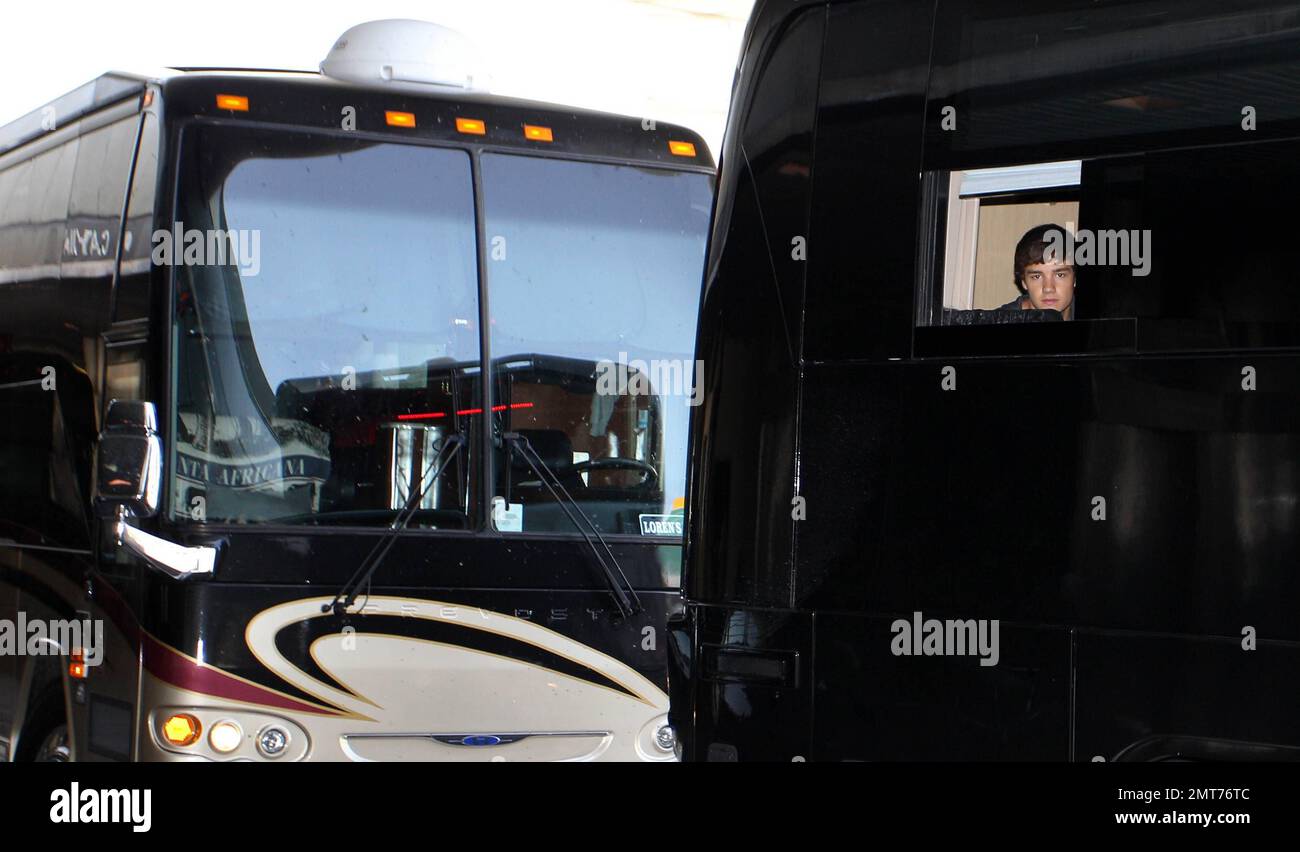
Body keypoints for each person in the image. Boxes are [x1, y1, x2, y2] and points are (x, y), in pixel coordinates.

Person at [998, 224, 1076, 320]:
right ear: (1024, 281)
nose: (1048, 288)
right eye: (1036, 276)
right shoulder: (999, 321)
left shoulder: (1096, 320)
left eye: (1060, 275)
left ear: (1075, 278)